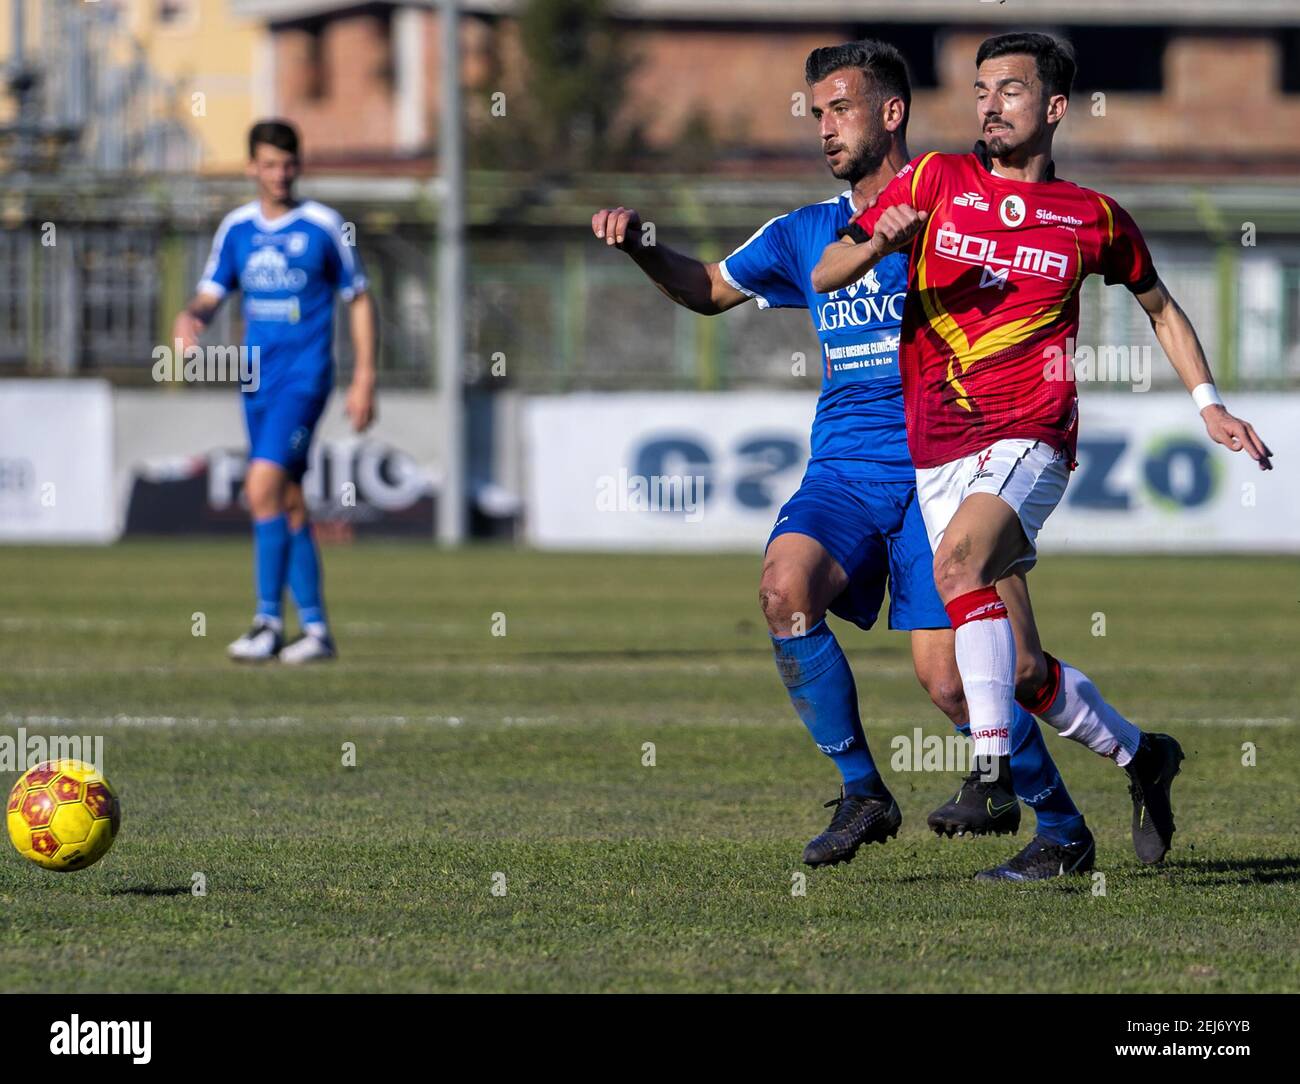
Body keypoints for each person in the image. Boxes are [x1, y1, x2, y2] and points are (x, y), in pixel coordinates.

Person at [594, 41, 1104, 881]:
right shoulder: (806, 232)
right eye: (816, 111)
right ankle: (863, 791)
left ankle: (1062, 827)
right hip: (844, 471)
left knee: (952, 683)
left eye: (839, 108)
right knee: (782, 589)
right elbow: (711, 287)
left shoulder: (959, 206)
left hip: (944, 467)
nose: (822, 128)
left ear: (890, 113)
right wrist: (647, 246)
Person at [812, 32, 1274, 876]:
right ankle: (1143, 756)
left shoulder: (1092, 216)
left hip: (1033, 437)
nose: (989, 104)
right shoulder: (935, 181)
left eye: (1009, 90)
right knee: (1022, 669)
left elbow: (1161, 307)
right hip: (940, 448)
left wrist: (1209, 405)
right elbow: (827, 271)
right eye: (981, 90)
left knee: (956, 565)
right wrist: (881, 241)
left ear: (1054, 108)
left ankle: (990, 772)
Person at [172, 119, 377, 664]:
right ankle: (315, 631)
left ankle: (266, 621)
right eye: (269, 164)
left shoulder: (324, 226)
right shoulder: (236, 229)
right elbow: (210, 293)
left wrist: (364, 378)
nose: (280, 174)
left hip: (305, 379)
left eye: (288, 164)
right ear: (251, 168)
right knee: (286, 501)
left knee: (260, 486)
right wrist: (189, 319)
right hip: (255, 380)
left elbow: (358, 297)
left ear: (299, 166)